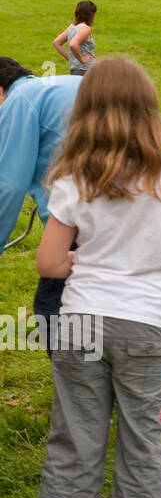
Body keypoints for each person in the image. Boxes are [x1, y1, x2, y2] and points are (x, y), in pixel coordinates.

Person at [34, 58, 161, 498]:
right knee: (145, 441)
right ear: (148, 106)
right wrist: (152, 258)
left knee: (74, 438)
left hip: (80, 322)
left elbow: (50, 263)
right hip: (147, 323)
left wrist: (85, 258)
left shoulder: (74, 175)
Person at [0, 57, 82, 328]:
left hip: (77, 219)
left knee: (51, 309)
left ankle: (74, 370)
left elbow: (8, 186)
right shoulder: (65, 84)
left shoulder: (18, 100)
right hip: (133, 210)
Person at [52, 1, 97, 76]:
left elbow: (56, 43)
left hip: (74, 69)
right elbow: (73, 44)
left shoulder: (72, 27)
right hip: (87, 69)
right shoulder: (85, 28)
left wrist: (70, 59)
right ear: (90, 14)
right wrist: (81, 58)